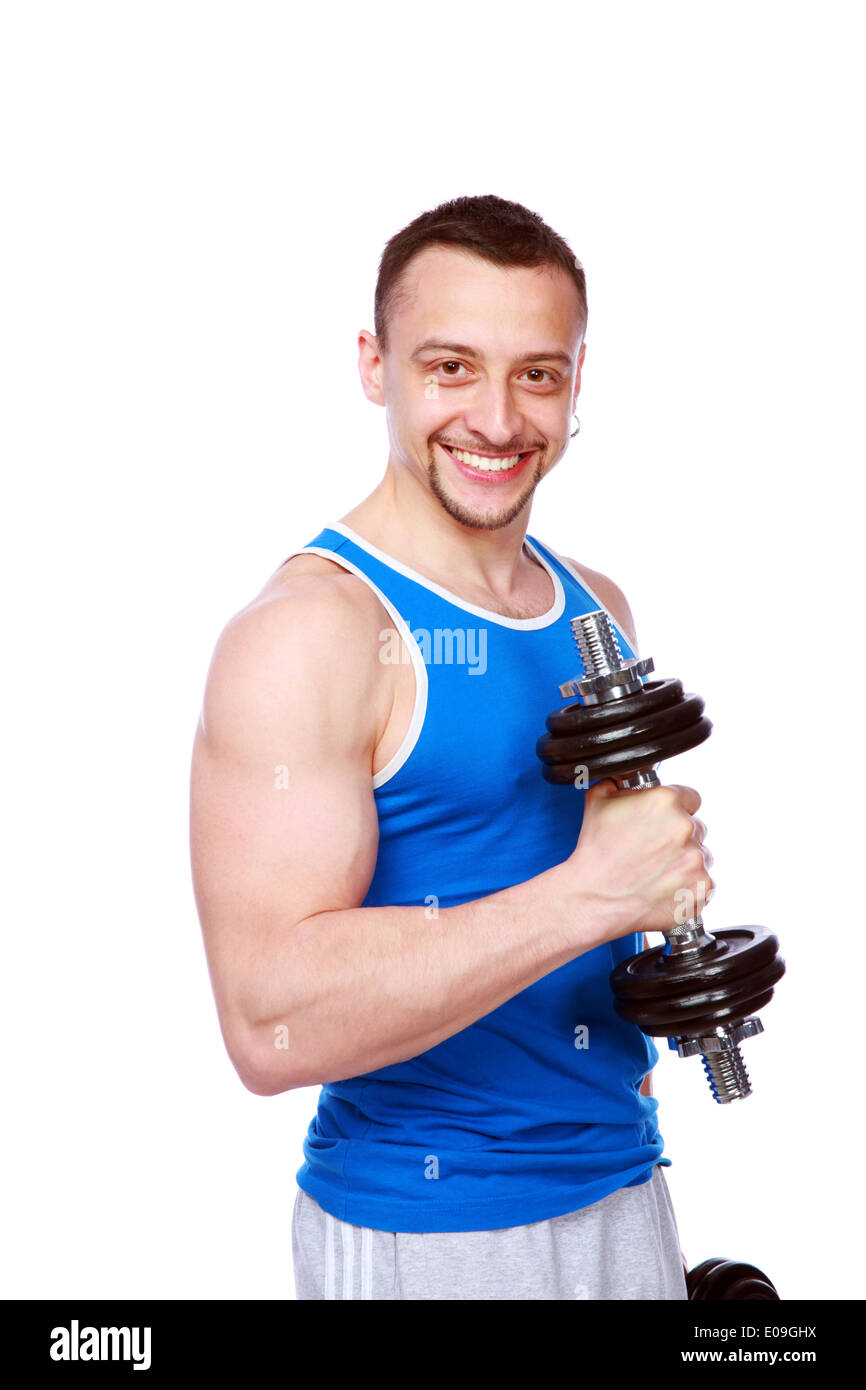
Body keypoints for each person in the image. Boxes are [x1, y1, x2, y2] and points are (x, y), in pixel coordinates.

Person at [189, 194, 714, 1301]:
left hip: (627, 1192)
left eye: (537, 373)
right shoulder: (311, 634)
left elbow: (605, 920)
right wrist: (592, 893)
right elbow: (266, 1025)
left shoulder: (596, 607)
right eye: (451, 368)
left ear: (577, 380)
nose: (497, 418)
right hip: (434, 1231)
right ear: (374, 365)